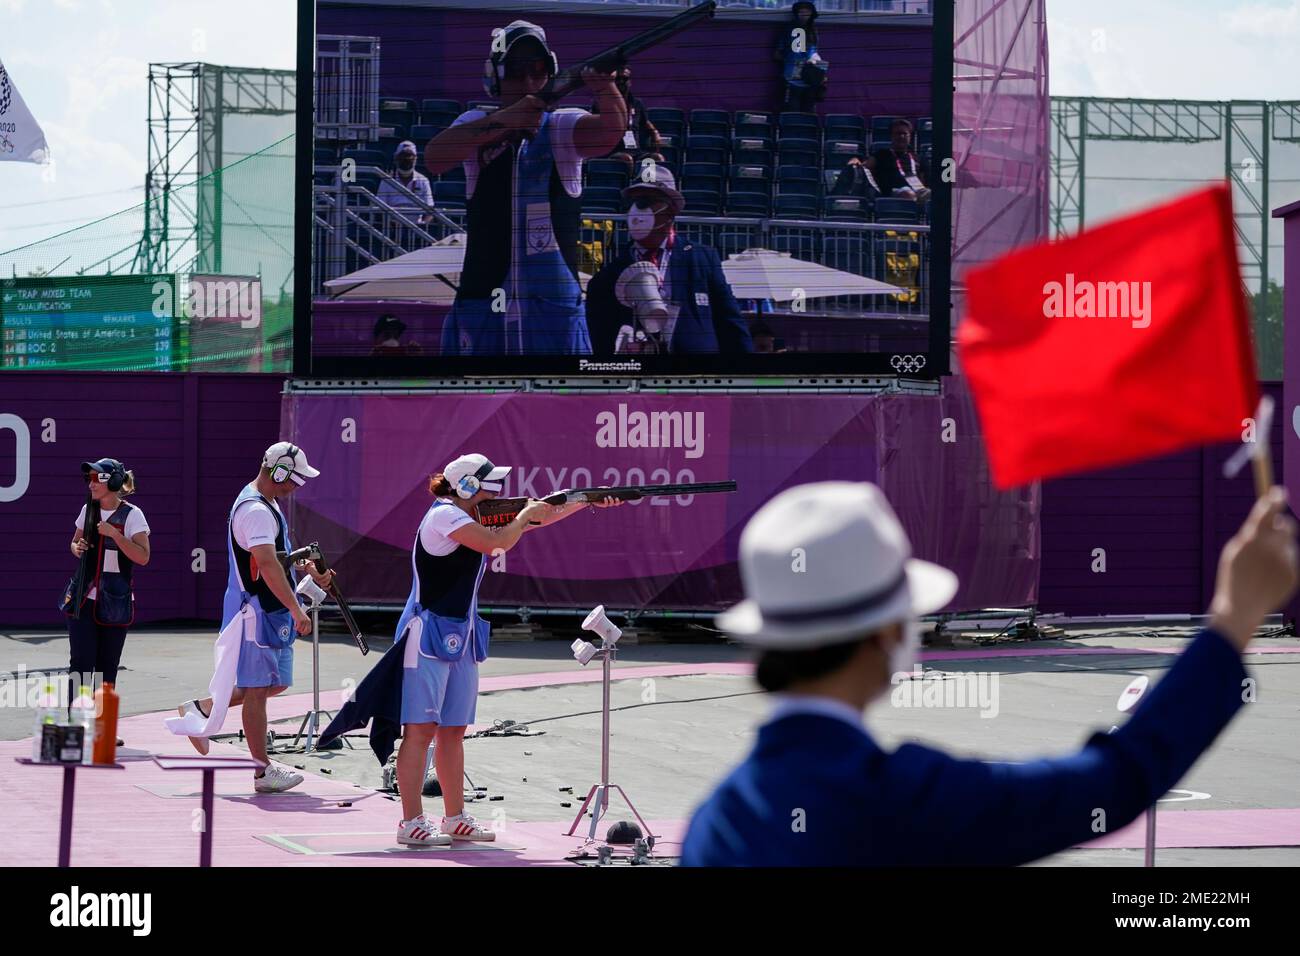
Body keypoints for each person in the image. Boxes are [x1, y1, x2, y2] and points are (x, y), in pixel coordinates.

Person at [681, 481, 1298, 866]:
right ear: (888, 631)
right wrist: (1232, 621)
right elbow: (1113, 783)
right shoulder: (904, 798)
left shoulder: (711, 825)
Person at [319, 453, 623, 846]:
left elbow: (535, 518)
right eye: (487, 483)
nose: (496, 489)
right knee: (420, 731)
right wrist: (524, 515)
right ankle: (410, 822)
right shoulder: (444, 516)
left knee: (453, 731)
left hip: (461, 635)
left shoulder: (471, 514)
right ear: (465, 486)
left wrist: (585, 502)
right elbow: (499, 542)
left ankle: (454, 817)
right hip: (426, 635)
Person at [424, 20, 626, 356]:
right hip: (485, 302)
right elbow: (435, 158)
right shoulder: (478, 124)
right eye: (517, 72)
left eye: (538, 70)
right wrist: (511, 118)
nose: (530, 81)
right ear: (496, 77)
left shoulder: (560, 125)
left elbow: (609, 133)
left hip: (552, 309)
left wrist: (606, 88)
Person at [175, 442, 334, 793]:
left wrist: (300, 566)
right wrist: (296, 608)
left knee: (273, 683)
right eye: (295, 479)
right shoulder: (257, 510)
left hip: (267, 608)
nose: (298, 487)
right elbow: (264, 563)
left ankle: (201, 709)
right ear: (277, 473)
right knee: (259, 689)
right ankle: (262, 771)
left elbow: (272, 558)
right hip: (258, 610)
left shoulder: (265, 504)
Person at [584, 166, 752, 356]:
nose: (636, 210)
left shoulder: (703, 258)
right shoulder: (607, 277)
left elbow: (730, 320)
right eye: (633, 202)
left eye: (646, 201)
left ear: (670, 211)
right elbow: (600, 341)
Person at [64, 458, 150, 693]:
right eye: (89, 478)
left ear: (112, 481)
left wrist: (115, 535)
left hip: (115, 602)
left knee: (107, 668)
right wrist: (77, 547)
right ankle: (78, 724)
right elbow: (74, 542)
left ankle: (103, 727)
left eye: (97, 478)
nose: (90, 484)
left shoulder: (133, 515)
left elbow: (143, 557)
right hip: (82, 598)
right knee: (80, 666)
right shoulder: (87, 509)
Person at [591, 66, 664, 177]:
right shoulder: (602, 103)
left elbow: (645, 122)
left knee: (656, 158)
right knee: (626, 159)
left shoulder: (637, 103)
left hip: (636, 151)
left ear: (630, 82)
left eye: (624, 79)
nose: (621, 82)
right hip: (613, 151)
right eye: (618, 79)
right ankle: (629, 187)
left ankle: (646, 187)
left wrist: (654, 132)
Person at [376, 140, 434, 248]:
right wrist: (390, 225)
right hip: (392, 229)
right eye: (403, 156)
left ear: (415, 158)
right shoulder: (387, 180)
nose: (406, 160)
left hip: (417, 229)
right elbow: (380, 208)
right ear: (396, 158)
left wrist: (423, 225)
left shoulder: (423, 180)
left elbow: (430, 210)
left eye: (409, 156)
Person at [773, 2, 825, 114]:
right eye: (802, 12)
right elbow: (804, 53)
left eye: (806, 13)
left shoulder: (796, 29)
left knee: (793, 109)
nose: (804, 15)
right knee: (805, 109)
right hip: (803, 75)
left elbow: (780, 54)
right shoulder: (805, 30)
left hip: (796, 74)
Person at [871, 118, 930, 204]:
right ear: (891, 136)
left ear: (910, 137)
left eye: (905, 134)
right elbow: (866, 165)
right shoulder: (881, 155)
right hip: (894, 191)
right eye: (898, 133)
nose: (901, 136)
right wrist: (856, 160)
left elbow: (927, 179)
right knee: (908, 194)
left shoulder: (918, 158)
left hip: (918, 191)